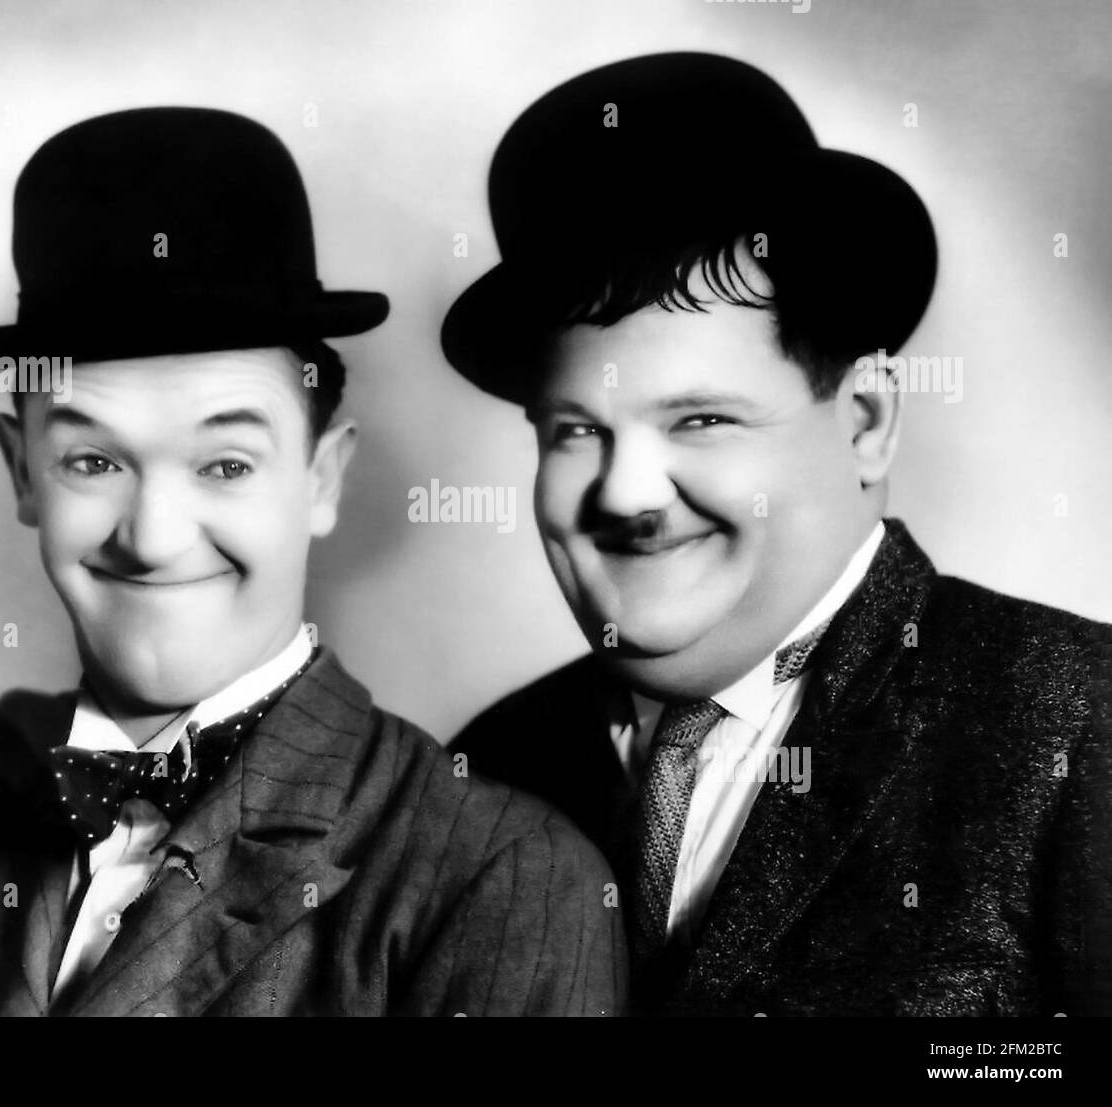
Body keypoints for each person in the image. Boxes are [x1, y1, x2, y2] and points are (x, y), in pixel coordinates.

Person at [0, 107, 624, 1017]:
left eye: (226, 464)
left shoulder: (499, 884)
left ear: (322, 477)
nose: (154, 536)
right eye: (93, 461)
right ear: (23, 470)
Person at [441, 53, 1112, 1016]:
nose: (627, 495)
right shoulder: (486, 767)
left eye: (702, 420)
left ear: (867, 421)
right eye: (577, 431)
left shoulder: (1078, 724)